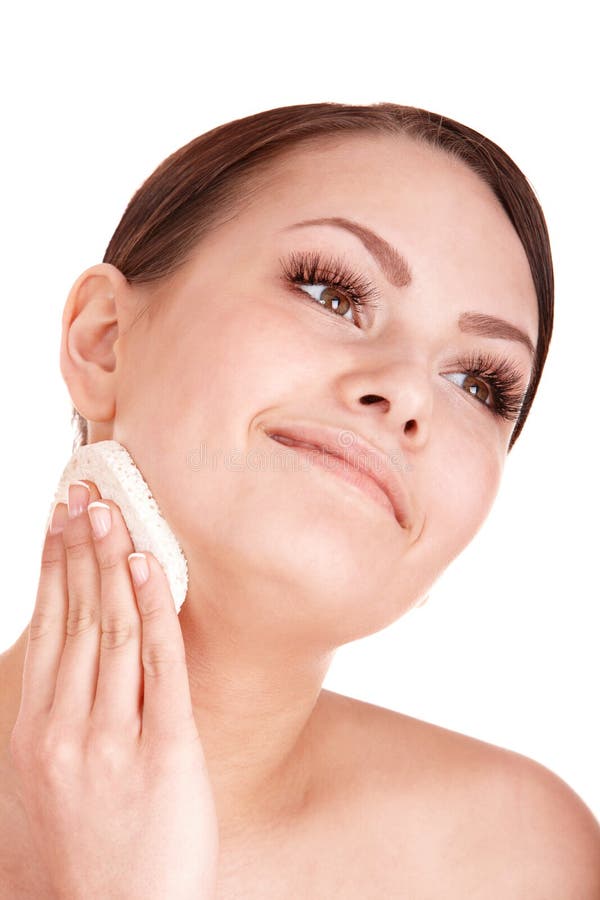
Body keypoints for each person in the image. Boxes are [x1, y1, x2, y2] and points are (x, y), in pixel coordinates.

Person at [1, 101, 599, 898]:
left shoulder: (526, 859)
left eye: (478, 383)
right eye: (332, 293)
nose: (406, 394)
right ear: (105, 339)